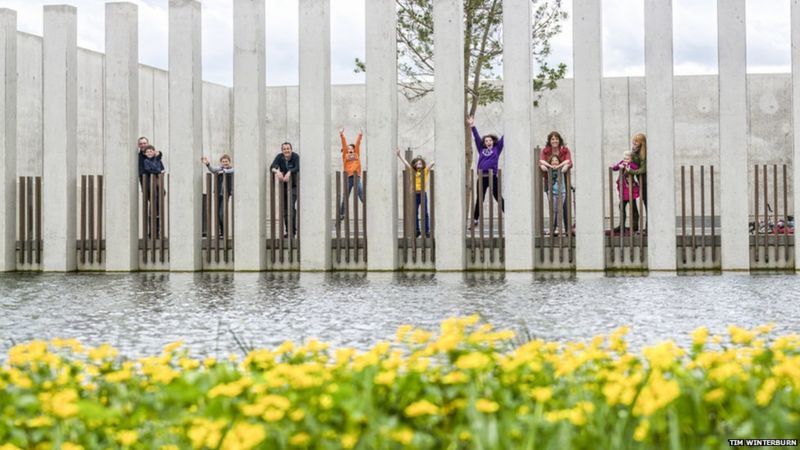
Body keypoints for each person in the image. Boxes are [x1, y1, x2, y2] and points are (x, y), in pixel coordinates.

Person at [467, 116, 504, 227]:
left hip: (493, 176)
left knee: (498, 197)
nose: (488, 142)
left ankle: (510, 214)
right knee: (480, 198)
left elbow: (504, 138)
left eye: (490, 140)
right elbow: (477, 137)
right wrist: (472, 125)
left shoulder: (497, 148)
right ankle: (475, 219)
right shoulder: (481, 149)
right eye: (486, 141)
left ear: (493, 142)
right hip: (482, 177)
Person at [395, 148, 435, 237]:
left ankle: (427, 231)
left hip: (422, 194)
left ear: (423, 164)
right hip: (414, 194)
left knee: (425, 213)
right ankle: (417, 231)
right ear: (415, 165)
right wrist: (399, 155)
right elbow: (406, 163)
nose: (419, 164)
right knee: (415, 213)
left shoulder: (425, 171)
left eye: (420, 163)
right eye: (417, 163)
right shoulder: (412, 171)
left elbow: (432, 163)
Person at [270, 142, 300, 238]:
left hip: (294, 186)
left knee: (290, 207)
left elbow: (297, 167)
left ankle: (292, 231)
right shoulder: (280, 157)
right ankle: (289, 231)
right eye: (284, 149)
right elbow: (272, 167)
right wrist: (277, 171)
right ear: (282, 150)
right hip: (284, 186)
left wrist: (289, 172)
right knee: (285, 209)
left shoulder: (295, 156)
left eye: (288, 148)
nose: (286, 150)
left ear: (291, 149)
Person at [201, 154, 234, 237]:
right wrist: (207, 164)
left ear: (229, 162)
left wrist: (222, 171)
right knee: (217, 213)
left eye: (226, 161)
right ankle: (221, 231)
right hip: (218, 194)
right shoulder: (220, 169)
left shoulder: (231, 169)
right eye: (223, 162)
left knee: (221, 213)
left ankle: (223, 231)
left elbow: (230, 171)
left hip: (226, 194)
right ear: (221, 162)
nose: (225, 163)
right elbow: (213, 169)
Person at [338, 127, 364, 221]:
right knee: (345, 196)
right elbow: (344, 144)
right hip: (348, 178)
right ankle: (341, 214)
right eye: (348, 149)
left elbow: (357, 144)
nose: (349, 149)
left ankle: (368, 211)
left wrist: (360, 135)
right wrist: (341, 134)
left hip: (356, 177)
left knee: (361, 194)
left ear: (354, 149)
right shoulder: (345, 155)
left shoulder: (356, 153)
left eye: (351, 148)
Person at [611, 150, 640, 232]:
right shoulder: (622, 162)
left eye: (627, 158)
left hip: (631, 191)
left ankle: (635, 226)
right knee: (621, 208)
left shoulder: (632, 164)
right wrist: (618, 166)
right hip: (623, 191)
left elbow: (636, 168)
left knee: (634, 209)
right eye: (624, 158)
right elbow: (615, 168)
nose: (625, 160)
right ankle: (621, 226)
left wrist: (627, 166)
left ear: (631, 159)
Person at [539, 154, 568, 235]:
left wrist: (559, 165)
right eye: (552, 160)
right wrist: (550, 166)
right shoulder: (548, 169)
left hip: (561, 192)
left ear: (558, 161)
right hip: (552, 193)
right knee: (553, 211)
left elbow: (567, 162)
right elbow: (541, 163)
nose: (554, 162)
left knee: (559, 211)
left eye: (556, 160)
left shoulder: (562, 169)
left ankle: (559, 228)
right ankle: (552, 228)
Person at [141, 144, 165, 238]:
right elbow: (148, 170)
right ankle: (152, 232)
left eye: (151, 151)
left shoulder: (158, 159)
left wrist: (157, 170)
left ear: (154, 151)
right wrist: (158, 171)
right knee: (153, 210)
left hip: (159, 186)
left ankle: (157, 232)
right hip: (152, 187)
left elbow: (162, 169)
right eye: (147, 152)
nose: (149, 153)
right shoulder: (146, 161)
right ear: (145, 154)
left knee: (158, 211)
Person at [627, 133, 647, 210]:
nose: (634, 142)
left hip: (645, 181)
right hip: (640, 180)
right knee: (644, 200)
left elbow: (643, 169)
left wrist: (631, 171)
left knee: (646, 201)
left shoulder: (643, 154)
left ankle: (648, 221)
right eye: (634, 140)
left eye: (636, 141)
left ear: (642, 143)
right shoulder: (636, 151)